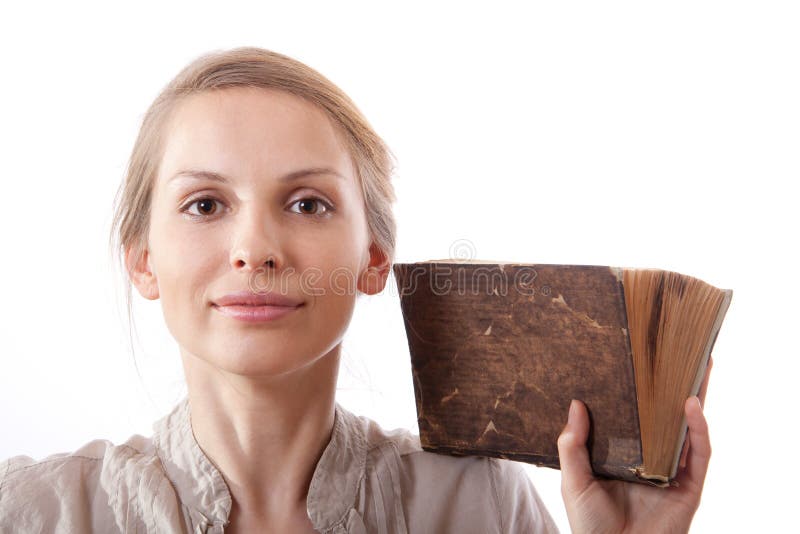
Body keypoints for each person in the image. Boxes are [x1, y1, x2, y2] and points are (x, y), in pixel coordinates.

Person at [0, 47, 711, 533]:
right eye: (205, 205)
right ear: (143, 260)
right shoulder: (33, 511)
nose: (255, 250)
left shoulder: (482, 507)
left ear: (374, 258)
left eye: (307, 204)